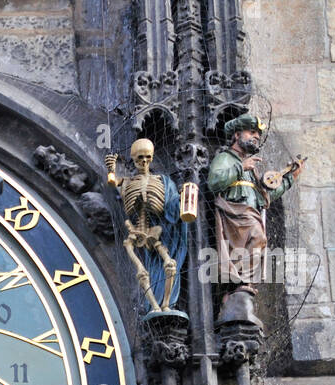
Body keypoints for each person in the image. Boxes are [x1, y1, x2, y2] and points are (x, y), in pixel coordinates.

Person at [207, 113, 302, 321]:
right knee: (255, 239)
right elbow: (214, 182)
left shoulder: (250, 166)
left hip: (250, 213)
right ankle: (234, 288)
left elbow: (264, 196)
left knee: (257, 241)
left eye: (258, 134)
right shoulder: (226, 158)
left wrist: (289, 179)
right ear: (236, 135)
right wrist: (242, 166)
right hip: (234, 216)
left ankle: (242, 286)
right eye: (251, 132)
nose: (256, 136)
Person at [105, 137, 189, 311]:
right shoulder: (127, 181)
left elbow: (172, 204)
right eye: (139, 158)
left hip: (158, 231)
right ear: (133, 160)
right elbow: (112, 183)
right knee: (143, 271)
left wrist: (182, 198)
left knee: (169, 263)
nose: (143, 162)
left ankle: (166, 304)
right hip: (136, 230)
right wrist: (111, 170)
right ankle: (154, 306)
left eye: (147, 158)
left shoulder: (163, 181)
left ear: (151, 158)